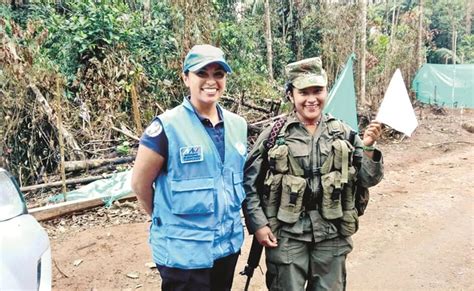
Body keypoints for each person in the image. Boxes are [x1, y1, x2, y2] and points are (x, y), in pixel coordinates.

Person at [243, 57, 384, 290]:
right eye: (303, 92)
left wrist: (367, 147)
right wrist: (258, 225)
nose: (311, 99)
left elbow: (368, 179)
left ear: (326, 91)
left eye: (317, 91)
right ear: (291, 95)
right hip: (286, 236)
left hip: (332, 234)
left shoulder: (344, 133)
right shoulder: (273, 135)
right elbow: (249, 184)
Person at [131, 44, 248, 291]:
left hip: (226, 247)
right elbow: (140, 184)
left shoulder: (238, 125)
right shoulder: (167, 127)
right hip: (183, 253)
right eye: (201, 73)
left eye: (218, 74)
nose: (211, 81)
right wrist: (162, 219)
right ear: (186, 78)